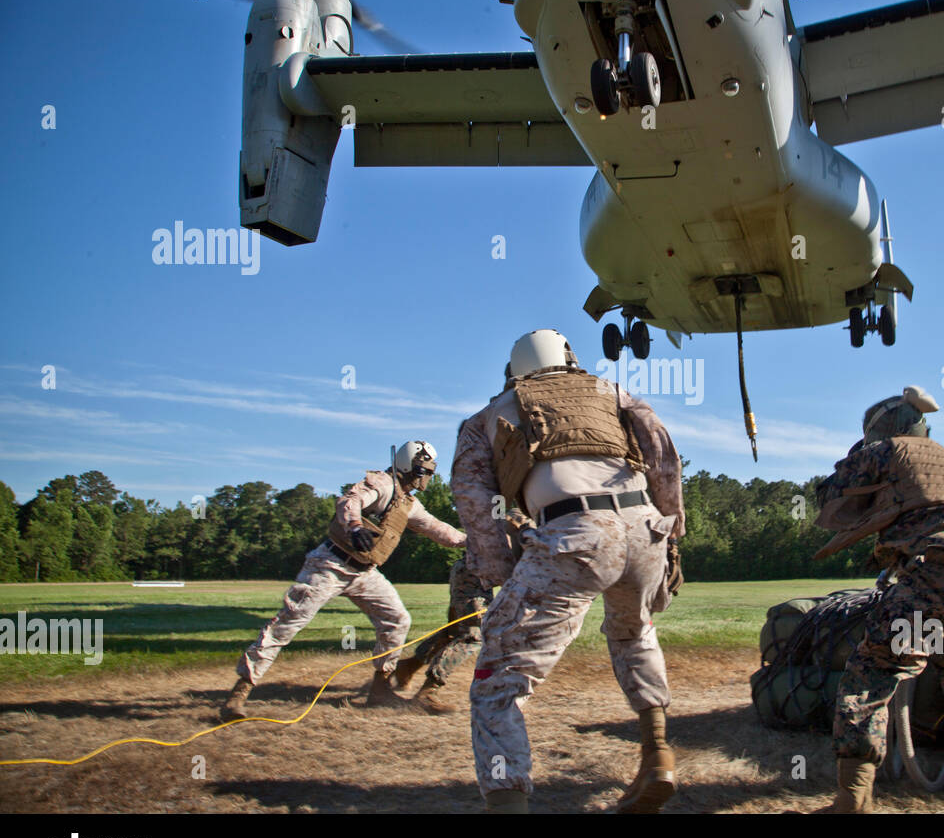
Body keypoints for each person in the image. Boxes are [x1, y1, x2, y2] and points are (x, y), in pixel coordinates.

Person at [451, 329, 685, 813]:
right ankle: (657, 756)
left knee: (498, 682)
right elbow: (664, 460)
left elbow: (475, 502)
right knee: (634, 633)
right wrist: (671, 534)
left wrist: (500, 571)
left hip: (572, 532)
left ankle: (507, 803)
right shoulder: (612, 391)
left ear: (513, 371)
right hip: (644, 528)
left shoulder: (487, 417)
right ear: (570, 358)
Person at [814, 387, 944, 813]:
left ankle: (852, 800)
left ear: (883, 428)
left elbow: (830, 497)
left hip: (942, 571)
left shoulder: (889, 450)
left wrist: (863, 451)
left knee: (872, 668)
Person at [220, 441, 467, 720]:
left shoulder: (409, 504)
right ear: (408, 465)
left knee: (397, 620)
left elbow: (439, 530)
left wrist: (474, 541)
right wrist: (355, 525)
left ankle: (380, 689)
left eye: (428, 471)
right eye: (422, 470)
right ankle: (237, 695)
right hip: (330, 565)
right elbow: (349, 502)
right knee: (287, 624)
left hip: (364, 572)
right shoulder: (382, 484)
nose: (424, 477)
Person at [391, 509, 531, 713]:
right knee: (473, 636)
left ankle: (408, 667)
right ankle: (427, 693)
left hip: (472, 575)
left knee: (454, 633)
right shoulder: (519, 519)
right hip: (474, 577)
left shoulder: (516, 516)